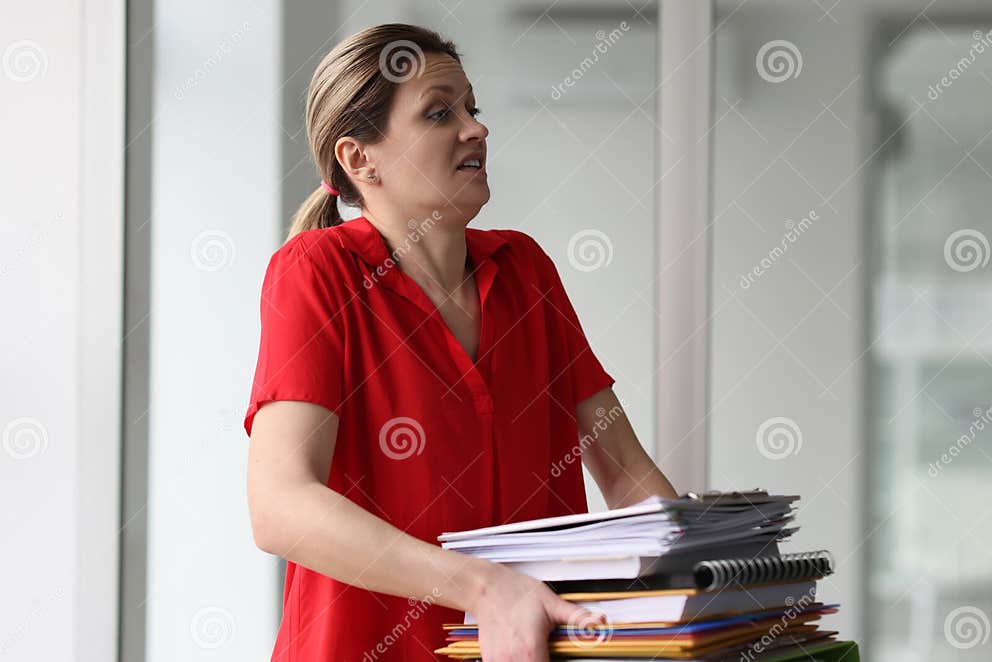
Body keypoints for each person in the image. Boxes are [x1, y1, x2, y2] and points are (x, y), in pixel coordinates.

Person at [243, 23, 677, 662]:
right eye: (440, 112)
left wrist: (705, 582)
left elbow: (624, 470)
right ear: (360, 159)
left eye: (471, 108)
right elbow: (280, 505)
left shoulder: (526, 269)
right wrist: (484, 587)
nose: (476, 128)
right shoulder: (317, 271)